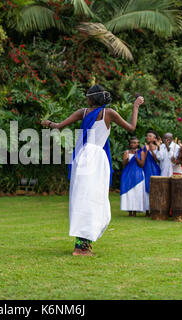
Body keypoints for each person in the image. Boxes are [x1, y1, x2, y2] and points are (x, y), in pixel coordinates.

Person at [42, 85, 144, 256]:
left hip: (82, 157)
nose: (86, 98)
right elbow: (132, 127)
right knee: (91, 199)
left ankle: (83, 244)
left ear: (92, 98)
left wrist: (48, 123)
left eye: (87, 96)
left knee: (83, 199)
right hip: (96, 159)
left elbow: (59, 126)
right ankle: (81, 247)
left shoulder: (84, 112)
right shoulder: (108, 113)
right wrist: (135, 107)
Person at [120, 136, 146, 217]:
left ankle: (135, 211)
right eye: (131, 143)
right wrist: (126, 159)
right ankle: (130, 211)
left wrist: (136, 158)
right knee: (129, 193)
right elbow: (124, 164)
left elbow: (142, 164)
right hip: (128, 174)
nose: (133, 144)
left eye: (135, 143)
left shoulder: (141, 152)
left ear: (138, 143)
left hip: (138, 175)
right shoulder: (126, 152)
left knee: (137, 192)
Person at [141, 130, 161, 217]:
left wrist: (152, 151)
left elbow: (157, 160)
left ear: (154, 138)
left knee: (154, 188)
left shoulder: (158, 147)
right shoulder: (144, 147)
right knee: (146, 187)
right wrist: (146, 150)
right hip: (146, 168)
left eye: (150, 136)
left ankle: (154, 208)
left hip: (154, 169)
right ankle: (147, 210)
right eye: (147, 136)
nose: (147, 137)